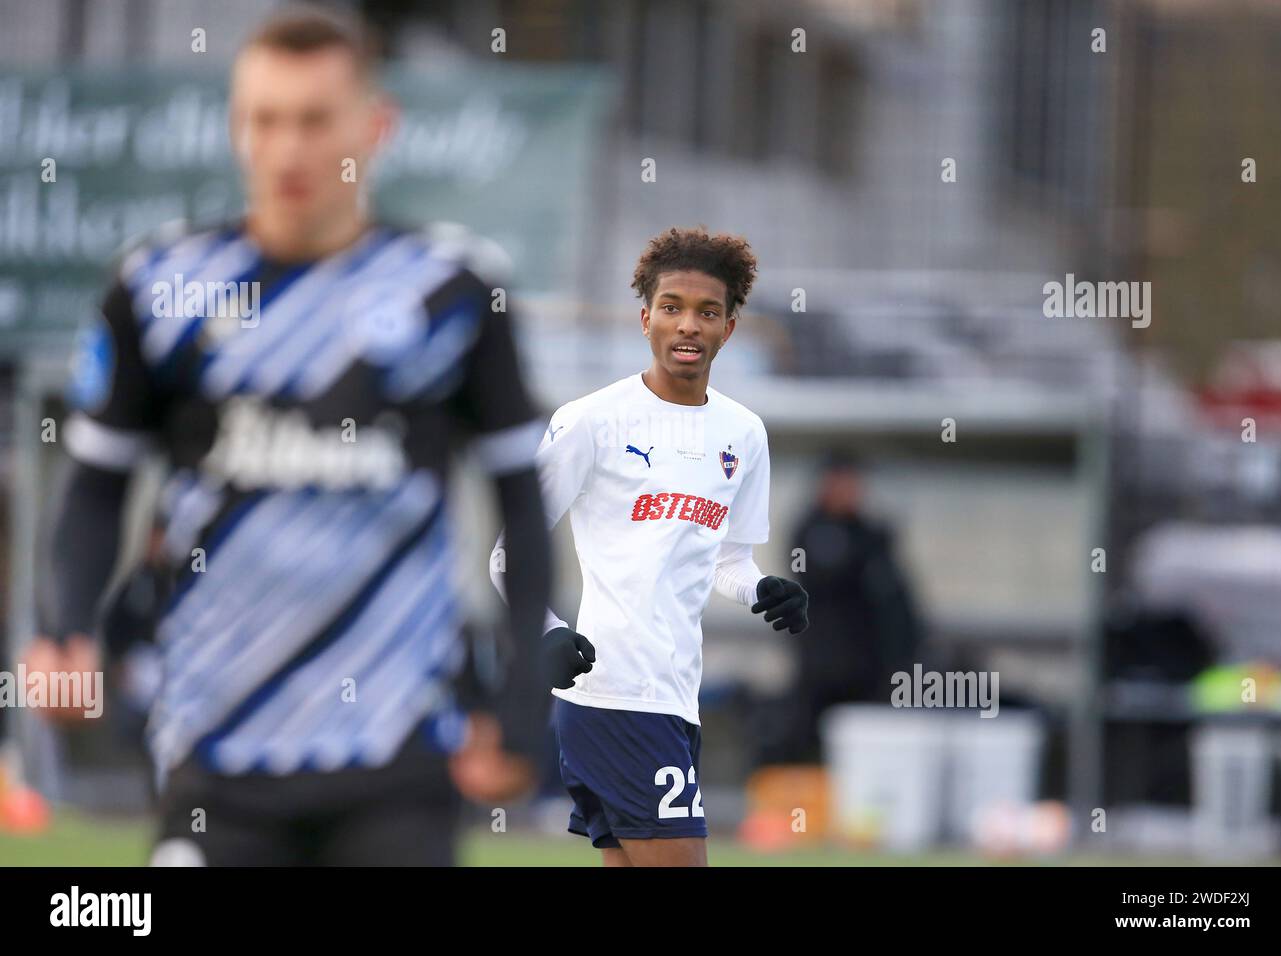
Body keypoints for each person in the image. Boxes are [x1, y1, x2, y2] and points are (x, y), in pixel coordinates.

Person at [25, 7, 552, 866]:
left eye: (315, 120)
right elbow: (93, 483)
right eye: (265, 120)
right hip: (213, 747)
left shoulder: (453, 292)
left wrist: (524, 706)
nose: (288, 148)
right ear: (237, 129)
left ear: (375, 127)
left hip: (397, 753)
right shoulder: (159, 288)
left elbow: (523, 508)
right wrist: (64, 628)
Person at [491, 227, 809, 867]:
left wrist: (762, 590)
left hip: (673, 697)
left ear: (730, 327)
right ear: (645, 319)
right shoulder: (593, 421)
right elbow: (506, 557)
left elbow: (728, 560)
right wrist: (548, 632)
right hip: (613, 695)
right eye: (671, 308)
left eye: (706, 311)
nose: (687, 325)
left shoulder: (743, 434)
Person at [761, 451, 921, 763]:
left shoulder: (867, 531)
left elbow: (892, 595)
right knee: (811, 747)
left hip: (869, 667)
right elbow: (825, 574)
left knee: (864, 750)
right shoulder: (811, 530)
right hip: (823, 667)